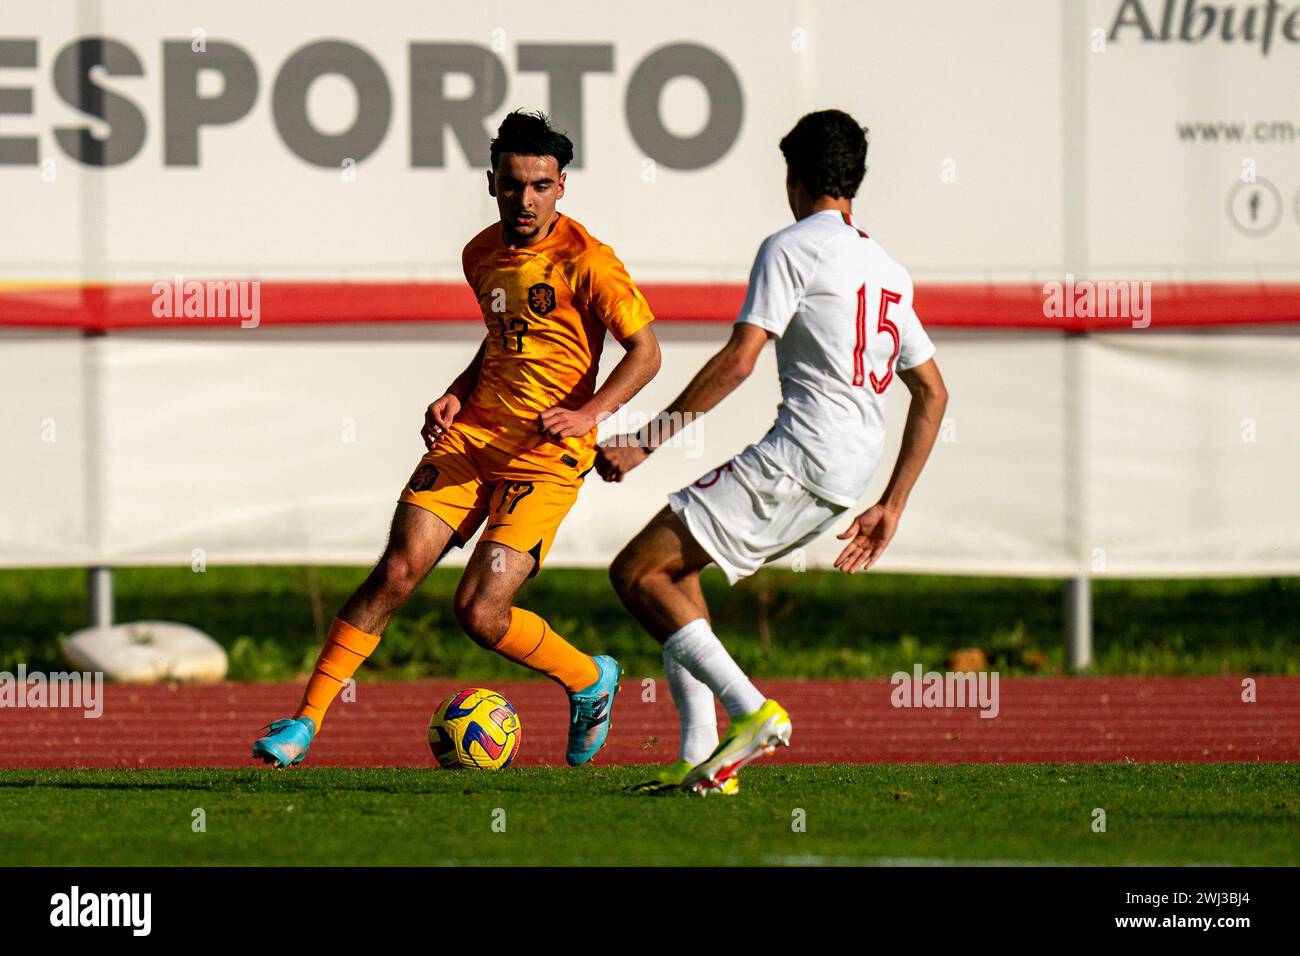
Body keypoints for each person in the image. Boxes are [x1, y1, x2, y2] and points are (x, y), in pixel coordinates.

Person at [254, 110, 661, 769]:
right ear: (491, 181)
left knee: (478, 611)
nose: (523, 199)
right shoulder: (480, 255)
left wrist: (590, 414)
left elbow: (646, 353)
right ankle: (303, 724)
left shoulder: (589, 262)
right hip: (471, 440)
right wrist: (456, 390)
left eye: (538, 185)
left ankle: (588, 677)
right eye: (511, 184)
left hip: (546, 460)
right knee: (396, 569)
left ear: (561, 186)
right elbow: (503, 342)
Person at [598, 109, 949, 795]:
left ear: (793, 175)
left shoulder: (791, 247)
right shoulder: (887, 269)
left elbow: (738, 362)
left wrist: (645, 440)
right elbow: (932, 392)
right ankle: (702, 755)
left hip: (802, 458)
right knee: (680, 561)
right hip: (850, 475)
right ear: (856, 180)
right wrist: (893, 505)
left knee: (635, 573)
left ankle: (752, 712)